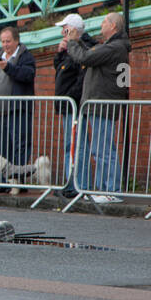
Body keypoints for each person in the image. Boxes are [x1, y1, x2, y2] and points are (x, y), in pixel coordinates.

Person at [64, 12, 130, 203]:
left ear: (113, 26)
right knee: (99, 149)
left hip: (102, 104)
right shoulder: (114, 48)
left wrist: (72, 42)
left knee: (104, 150)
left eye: (104, 21)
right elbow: (92, 55)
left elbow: (84, 58)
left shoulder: (113, 48)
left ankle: (112, 190)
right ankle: (104, 189)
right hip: (101, 104)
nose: (101, 25)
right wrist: (78, 42)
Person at [0, 25, 35, 191]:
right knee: (2, 147)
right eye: (3, 41)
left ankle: (19, 182)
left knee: (19, 146)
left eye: (8, 41)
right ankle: (4, 182)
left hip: (17, 110)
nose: (5, 45)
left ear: (16, 41)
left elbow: (27, 75)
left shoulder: (25, 56)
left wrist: (8, 67)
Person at [53, 13, 92, 197]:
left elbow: (81, 78)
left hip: (75, 104)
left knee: (78, 145)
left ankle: (80, 184)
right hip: (67, 105)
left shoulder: (83, 46)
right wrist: (60, 53)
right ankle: (71, 183)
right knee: (70, 144)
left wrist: (70, 97)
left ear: (74, 30)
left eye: (65, 28)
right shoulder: (69, 46)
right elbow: (59, 70)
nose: (62, 32)